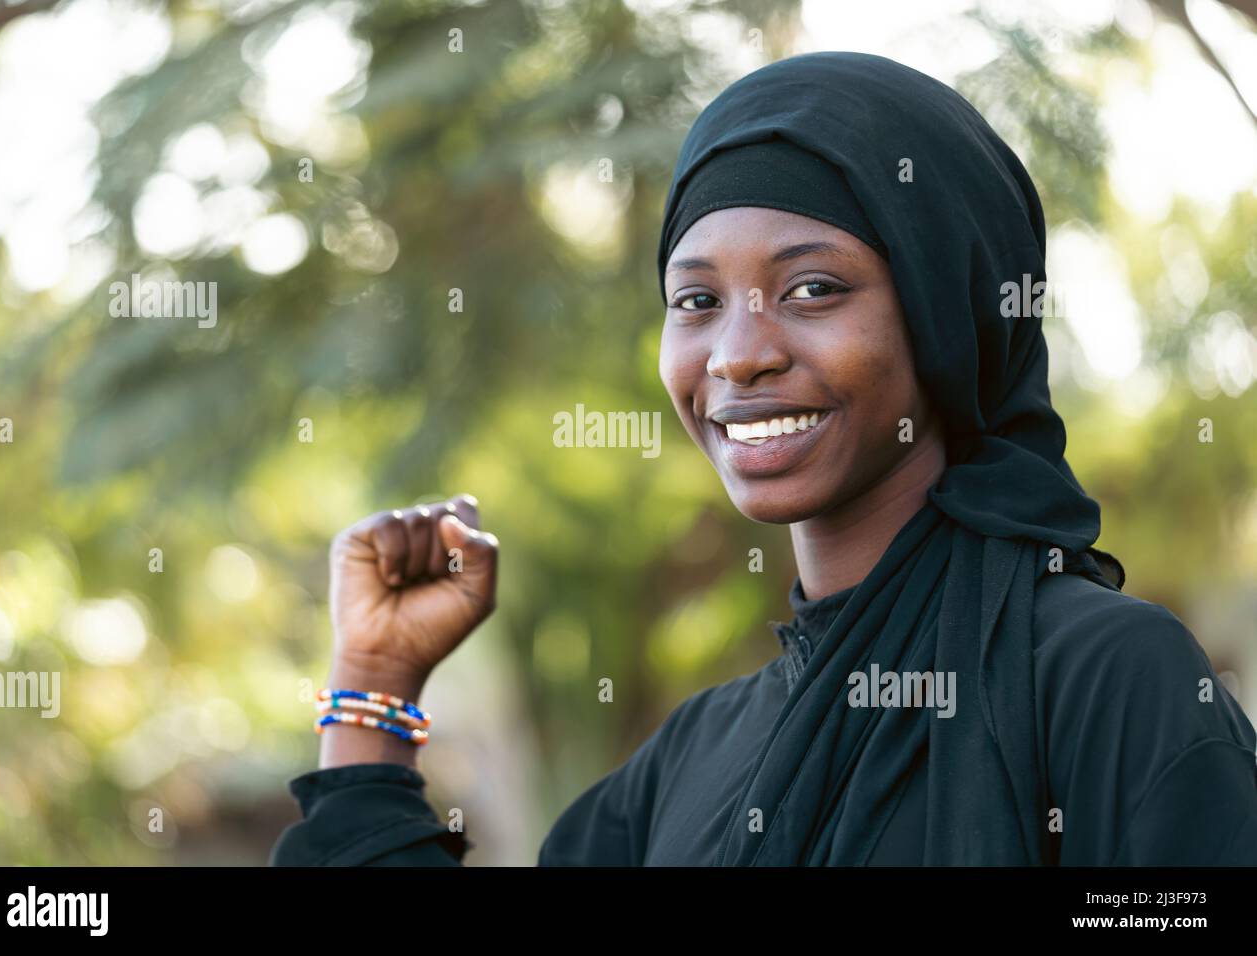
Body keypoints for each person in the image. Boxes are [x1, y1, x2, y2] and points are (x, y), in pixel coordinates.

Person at [270, 51, 1257, 866]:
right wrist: (376, 683)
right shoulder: (693, 759)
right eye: (696, 301)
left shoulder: (1103, 679)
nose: (739, 352)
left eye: (814, 287)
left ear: (945, 315)